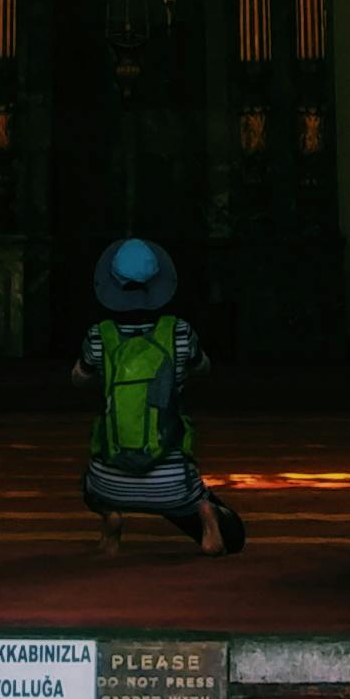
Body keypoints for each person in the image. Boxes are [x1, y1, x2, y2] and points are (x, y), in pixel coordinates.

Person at [75, 235, 245, 558]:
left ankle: (110, 514)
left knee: (88, 484)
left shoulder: (99, 336)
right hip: (174, 487)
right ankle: (204, 513)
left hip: (107, 482)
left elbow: (78, 377)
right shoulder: (178, 331)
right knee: (233, 532)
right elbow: (203, 367)